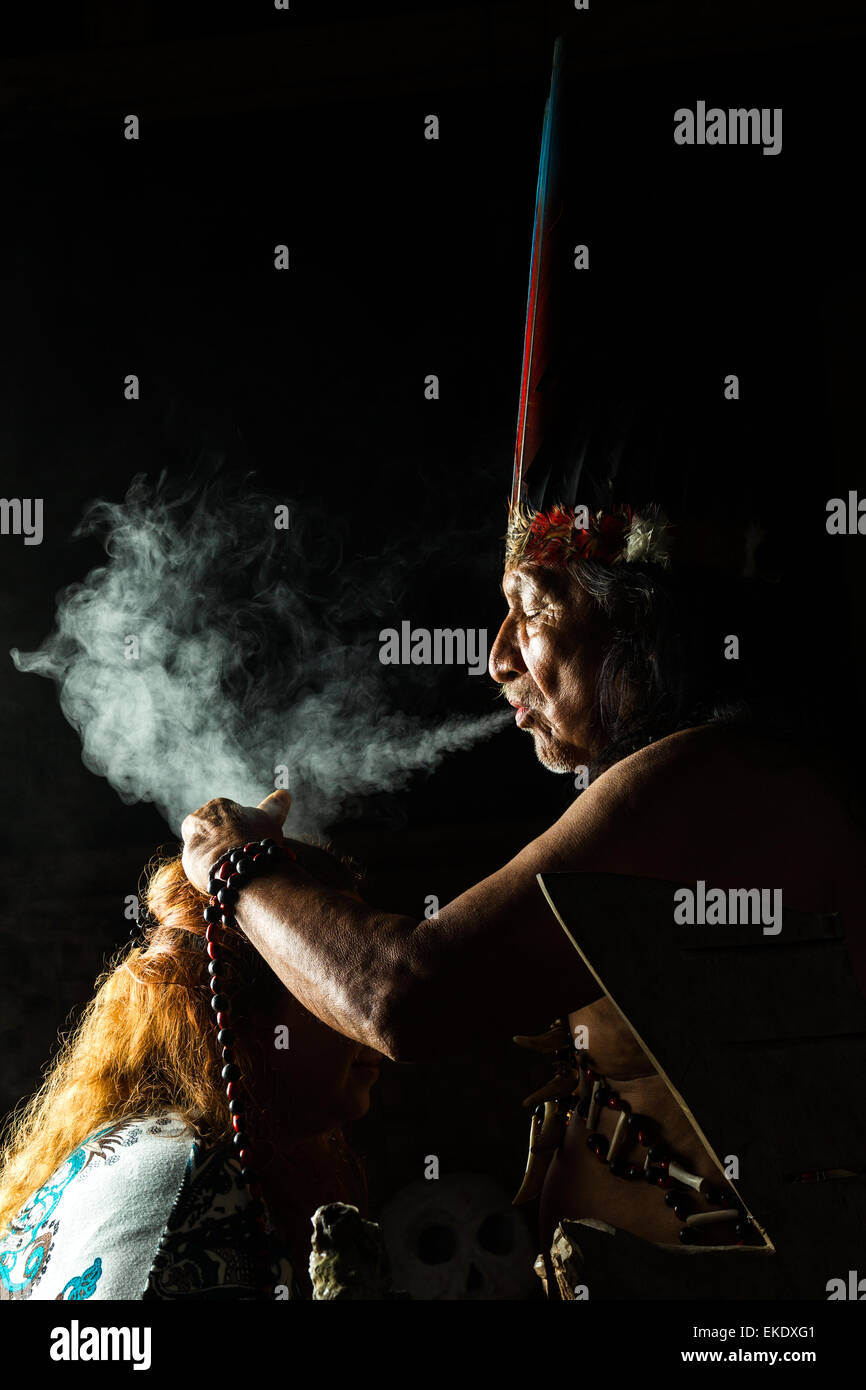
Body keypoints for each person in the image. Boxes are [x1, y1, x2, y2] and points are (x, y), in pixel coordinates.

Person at [0, 841, 382, 1300]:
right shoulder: (194, 1180)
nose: (366, 1025)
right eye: (337, 985)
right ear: (242, 1013)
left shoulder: (163, 1149)